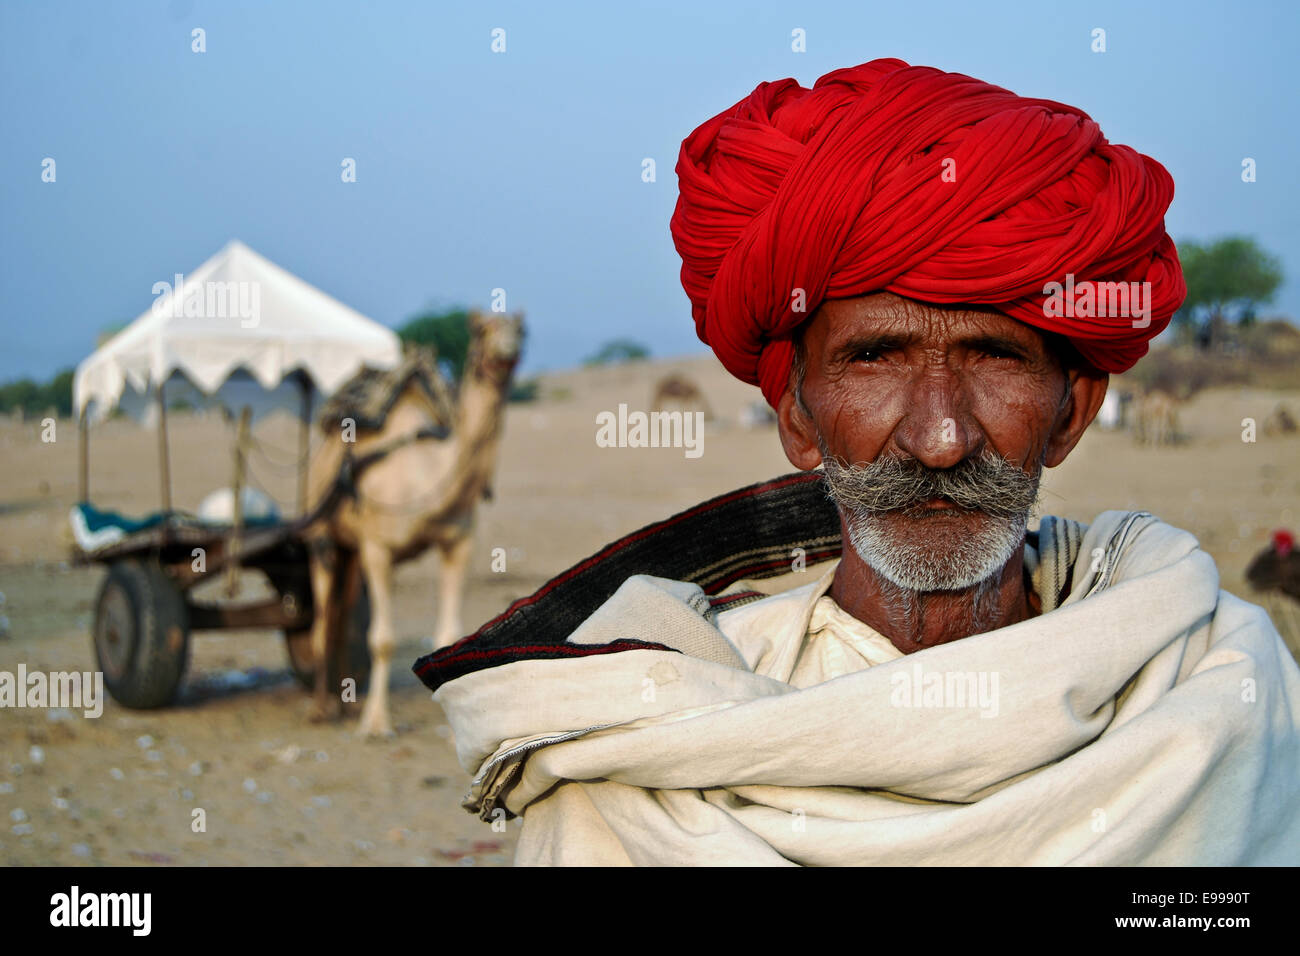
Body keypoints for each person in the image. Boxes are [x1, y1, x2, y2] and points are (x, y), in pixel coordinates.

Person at [413, 59, 1300, 865]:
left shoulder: (1218, 693)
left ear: (1071, 413)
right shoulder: (635, 755)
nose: (941, 437)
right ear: (798, 417)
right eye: (874, 358)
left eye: (994, 357)